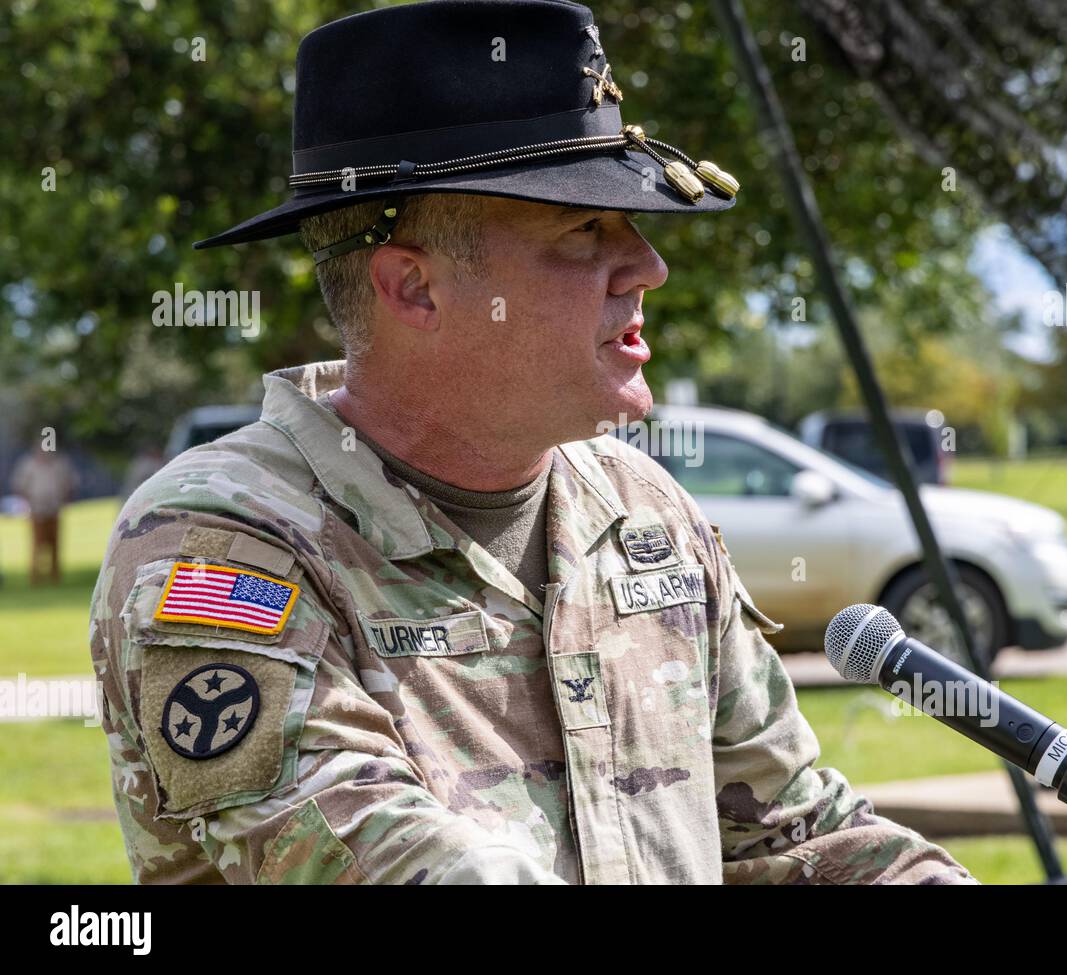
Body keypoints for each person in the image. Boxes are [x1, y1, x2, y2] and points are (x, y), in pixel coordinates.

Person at [90, 0, 975, 885]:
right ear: (414, 289)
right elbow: (388, 863)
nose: (649, 268)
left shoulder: (641, 509)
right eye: (584, 230)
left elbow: (792, 836)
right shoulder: (217, 546)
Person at [11, 435, 78, 585]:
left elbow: (69, 482)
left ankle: (55, 576)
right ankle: (35, 577)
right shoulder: (28, 464)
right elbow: (20, 485)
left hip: (54, 508)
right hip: (37, 509)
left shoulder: (59, 464)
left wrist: (64, 500)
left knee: (55, 544)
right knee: (37, 544)